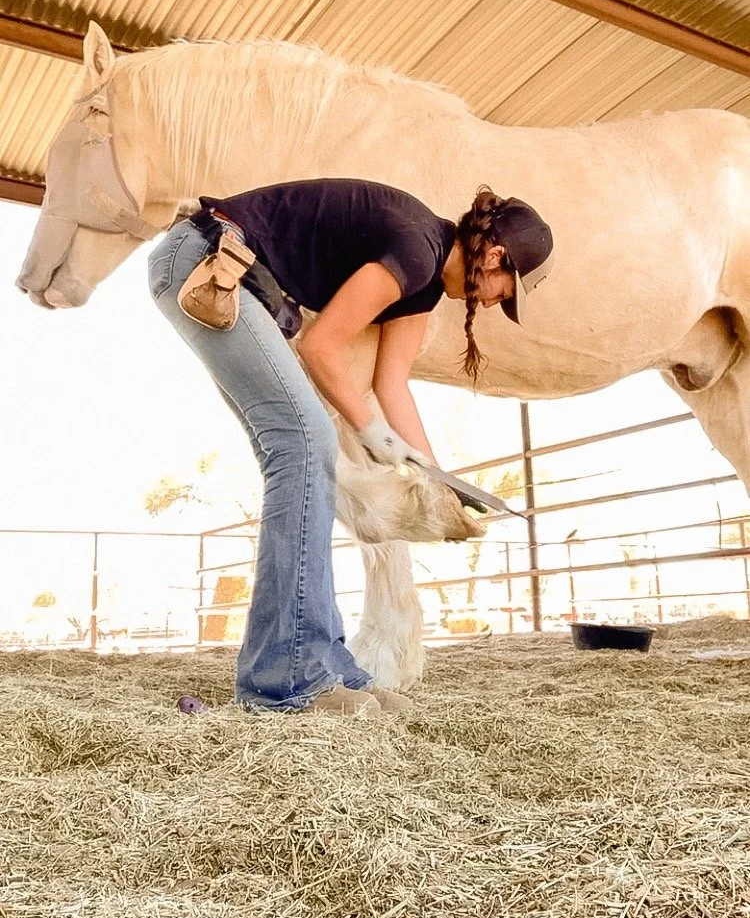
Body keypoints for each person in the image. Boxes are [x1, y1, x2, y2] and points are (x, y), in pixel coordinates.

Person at [148, 179, 554, 717]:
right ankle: (286, 681)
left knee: (303, 448)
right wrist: (373, 433)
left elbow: (391, 385)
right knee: (305, 442)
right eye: (506, 288)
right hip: (210, 261)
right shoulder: (416, 248)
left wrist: (441, 483)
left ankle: (327, 669)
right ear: (495, 255)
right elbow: (320, 349)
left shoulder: (426, 285)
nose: (497, 300)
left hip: (238, 276)